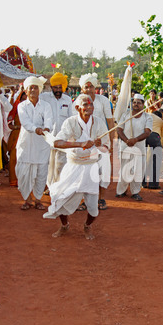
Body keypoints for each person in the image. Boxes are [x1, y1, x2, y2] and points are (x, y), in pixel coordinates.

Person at [43, 94, 110, 240]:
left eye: (91, 104)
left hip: (91, 168)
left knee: (93, 207)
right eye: (85, 105)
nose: (89, 107)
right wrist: (80, 144)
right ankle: (64, 225)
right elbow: (57, 143)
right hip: (73, 166)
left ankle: (87, 226)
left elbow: (106, 147)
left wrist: (100, 145)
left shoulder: (99, 123)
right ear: (77, 108)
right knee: (59, 197)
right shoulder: (70, 122)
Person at [77, 73, 114, 210]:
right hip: (84, 141)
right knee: (84, 170)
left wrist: (112, 142)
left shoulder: (103, 100)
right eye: (86, 87)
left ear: (95, 87)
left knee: (102, 169)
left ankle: (101, 199)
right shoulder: (77, 102)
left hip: (102, 140)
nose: (88, 90)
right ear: (82, 89)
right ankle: (83, 200)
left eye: (91, 86)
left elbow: (110, 122)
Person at [16, 77, 53, 210]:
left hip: (42, 145)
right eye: (30, 87)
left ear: (40, 89)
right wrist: (36, 129)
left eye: (35, 87)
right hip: (26, 144)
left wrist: (47, 128)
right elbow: (25, 123)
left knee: (41, 173)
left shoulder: (46, 105)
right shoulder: (22, 106)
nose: (33, 90)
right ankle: (27, 199)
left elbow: (49, 120)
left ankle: (38, 199)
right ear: (26, 91)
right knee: (24, 173)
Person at [116, 94, 153, 201]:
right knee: (125, 170)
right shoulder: (125, 115)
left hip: (139, 149)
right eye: (135, 102)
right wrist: (127, 140)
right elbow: (119, 129)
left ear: (143, 105)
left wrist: (135, 140)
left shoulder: (147, 117)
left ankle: (135, 192)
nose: (136, 104)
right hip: (125, 147)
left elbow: (147, 132)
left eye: (139, 103)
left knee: (138, 172)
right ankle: (121, 191)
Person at [40, 72, 73, 186]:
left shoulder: (67, 100)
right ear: (51, 87)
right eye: (56, 87)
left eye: (60, 87)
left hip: (63, 136)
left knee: (61, 163)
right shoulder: (44, 97)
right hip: (48, 136)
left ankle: (58, 186)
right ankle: (48, 186)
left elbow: (71, 118)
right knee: (48, 163)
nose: (58, 90)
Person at [7, 87, 27, 187]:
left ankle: (25, 181)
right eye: (23, 99)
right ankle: (14, 180)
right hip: (17, 135)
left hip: (29, 135)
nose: (25, 101)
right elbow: (9, 123)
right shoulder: (16, 106)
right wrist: (17, 127)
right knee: (14, 158)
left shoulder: (33, 107)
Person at [143, 110, 163, 189]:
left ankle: (141, 183)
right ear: (161, 117)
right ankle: (153, 184)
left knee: (142, 158)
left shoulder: (146, 115)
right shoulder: (161, 121)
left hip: (143, 135)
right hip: (154, 135)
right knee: (156, 160)